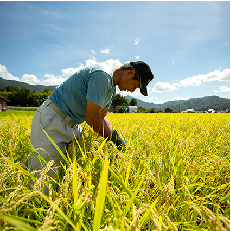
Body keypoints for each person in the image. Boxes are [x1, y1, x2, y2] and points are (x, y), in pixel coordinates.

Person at [28, 61, 154, 192]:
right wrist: (113, 139)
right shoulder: (103, 75)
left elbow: (102, 115)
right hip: (53, 121)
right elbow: (92, 118)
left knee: (74, 171)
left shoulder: (111, 88)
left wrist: (115, 135)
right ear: (130, 73)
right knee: (43, 182)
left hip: (72, 125)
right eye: (136, 86)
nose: (133, 90)